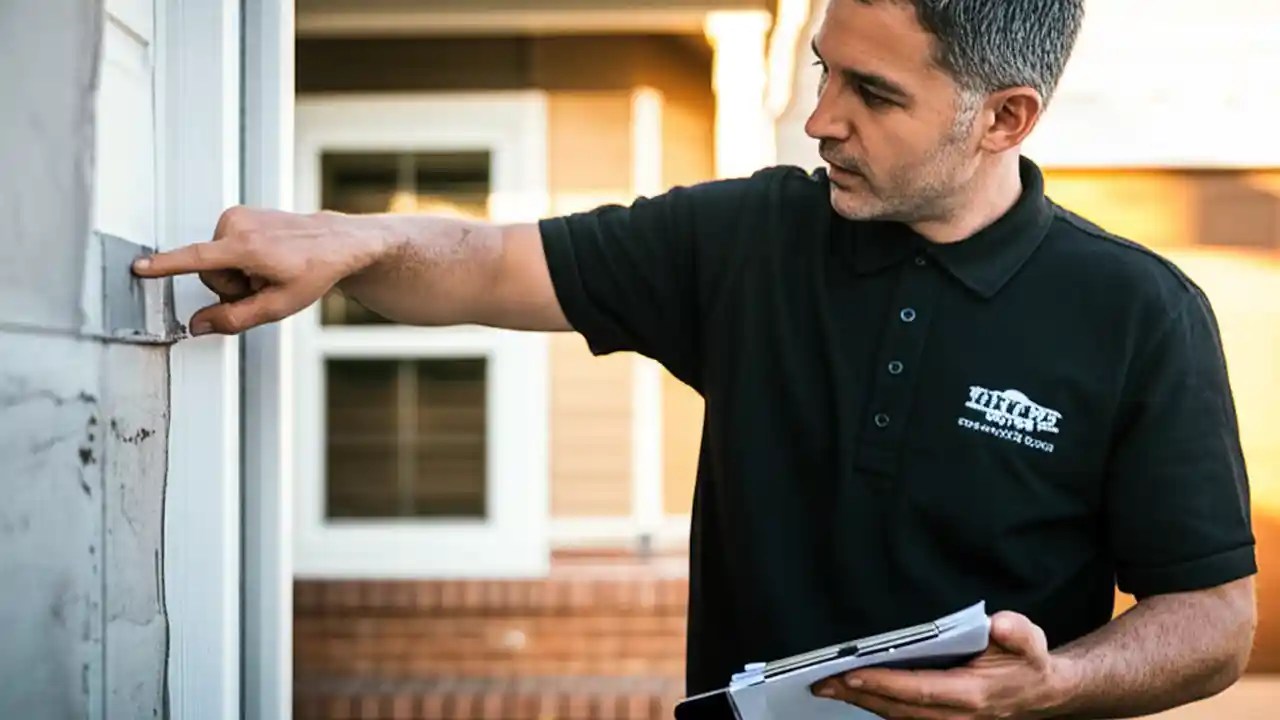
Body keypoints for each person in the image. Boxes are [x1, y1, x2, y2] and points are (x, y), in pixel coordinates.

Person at [136, 0, 1259, 717]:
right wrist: (356, 240)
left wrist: (1051, 688)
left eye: (870, 94)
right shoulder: (747, 239)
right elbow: (482, 263)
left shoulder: (1137, 314)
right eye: (824, 70)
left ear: (1002, 119)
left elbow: (1211, 617)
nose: (819, 118)